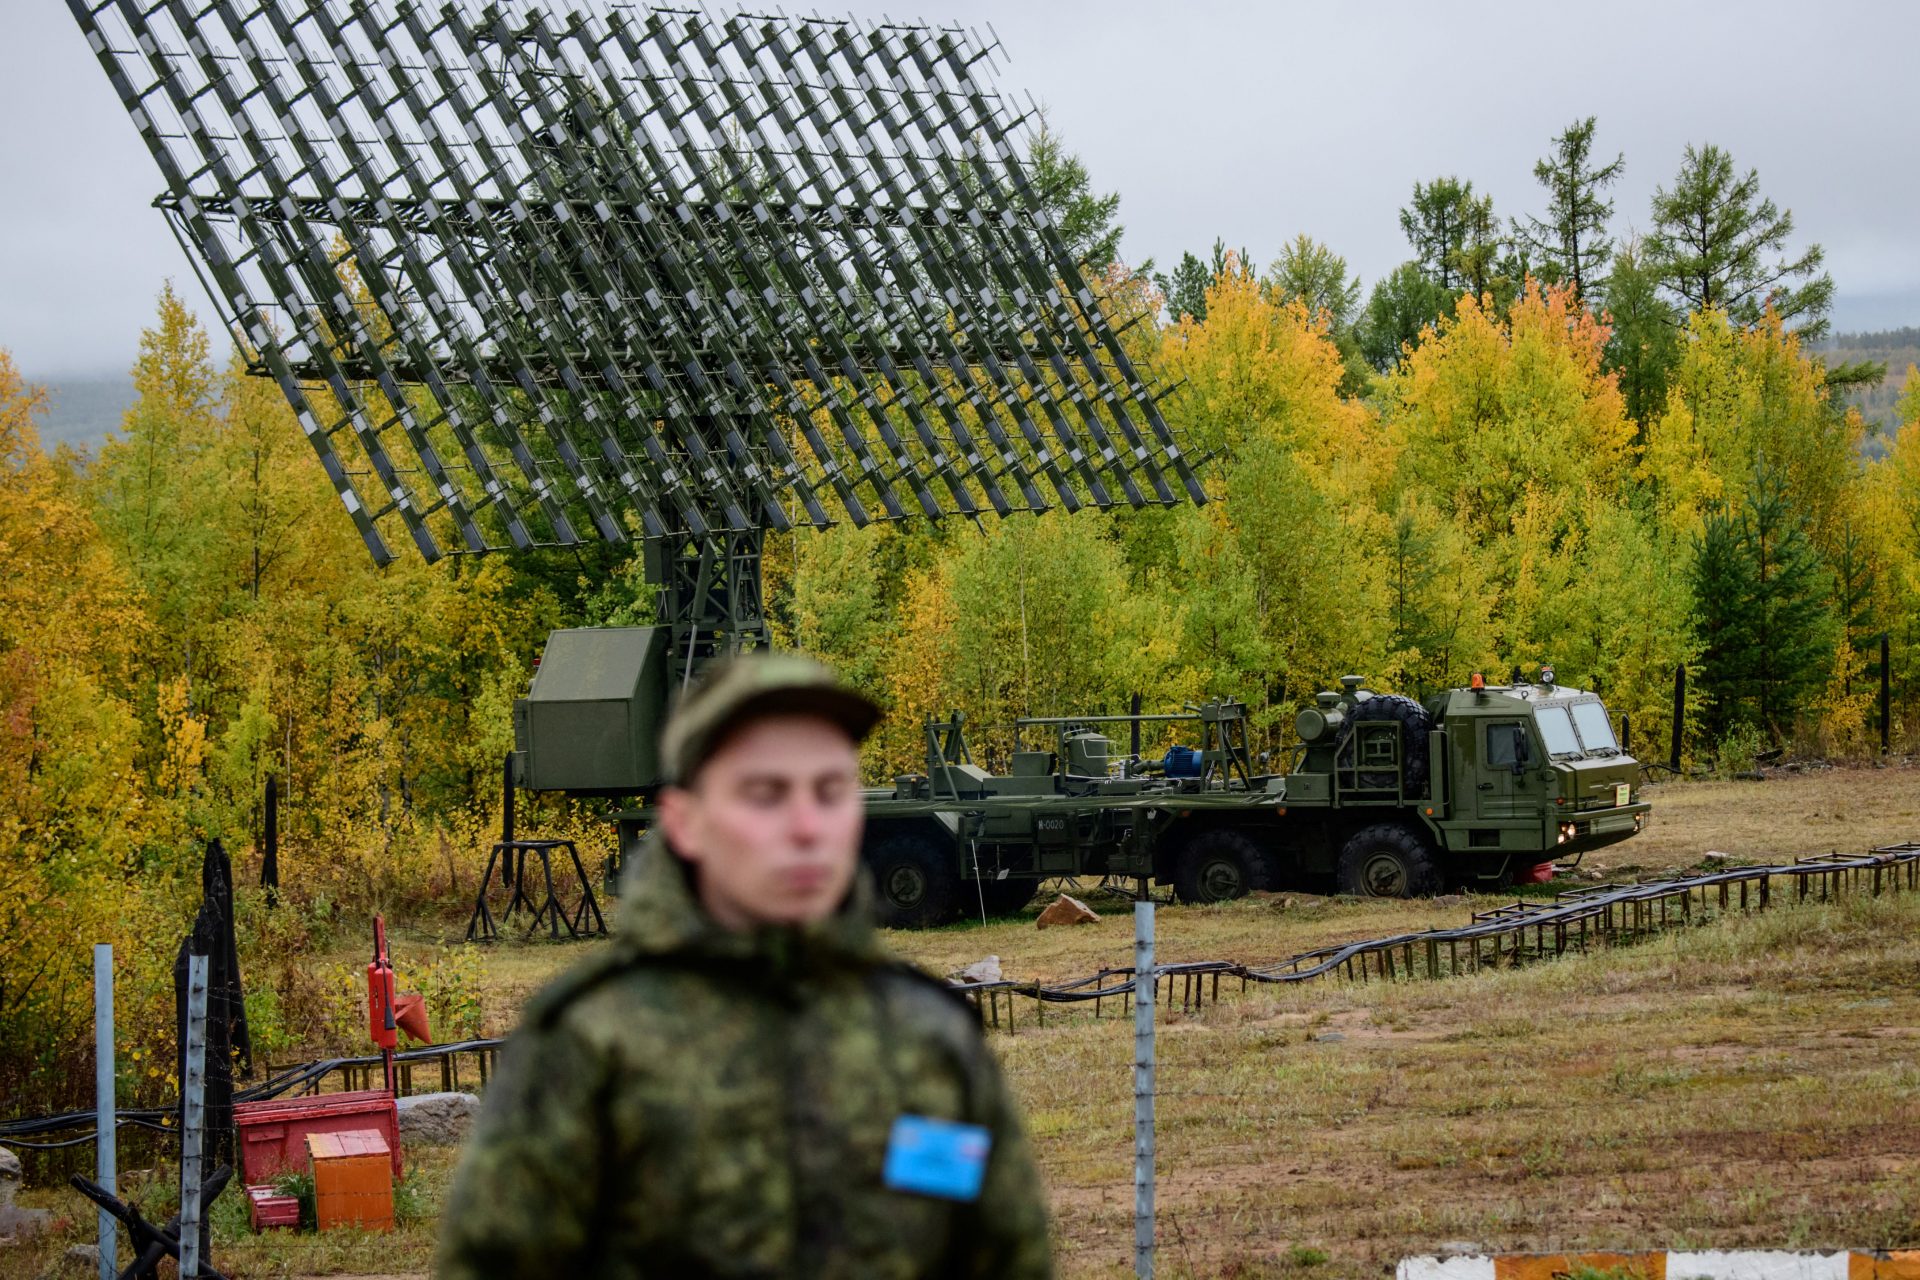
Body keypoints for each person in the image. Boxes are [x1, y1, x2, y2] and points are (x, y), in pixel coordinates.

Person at [437, 651, 1054, 1279]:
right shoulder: (589, 1044)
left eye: (832, 790)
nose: (809, 826)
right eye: (765, 794)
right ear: (685, 822)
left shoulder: (927, 1039)